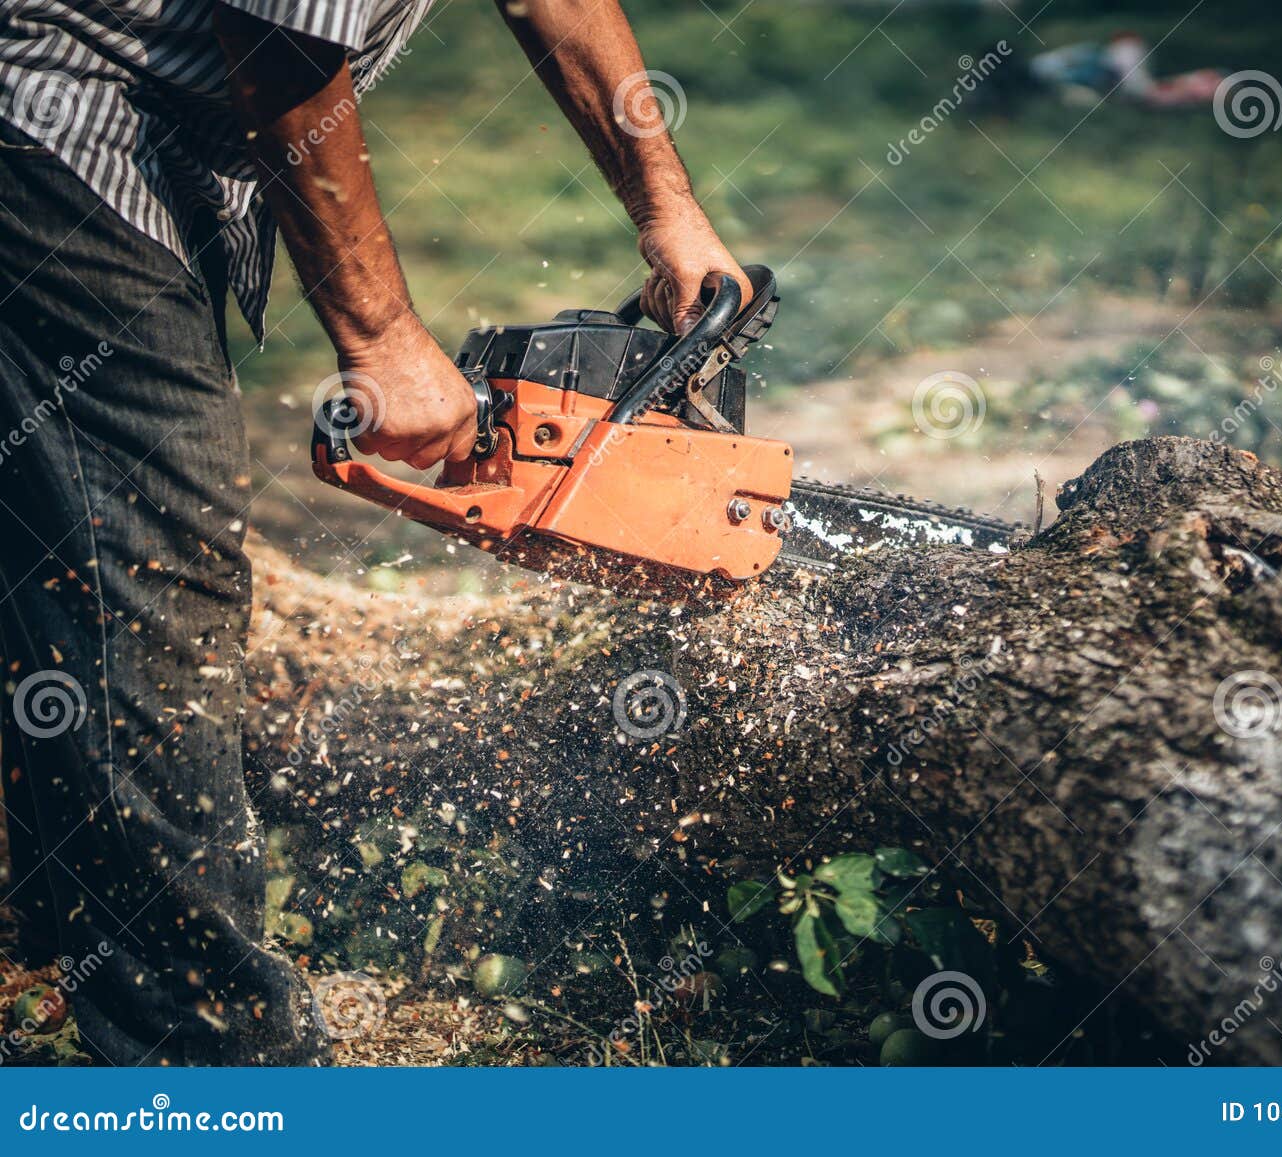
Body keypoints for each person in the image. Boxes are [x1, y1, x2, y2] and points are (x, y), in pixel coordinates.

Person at [0, 0, 748, 1065]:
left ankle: (44, 909)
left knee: (54, 508)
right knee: (151, 559)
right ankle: (207, 1060)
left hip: (145, 123)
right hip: (50, 110)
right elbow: (275, 42)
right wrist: (382, 335)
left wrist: (664, 205)